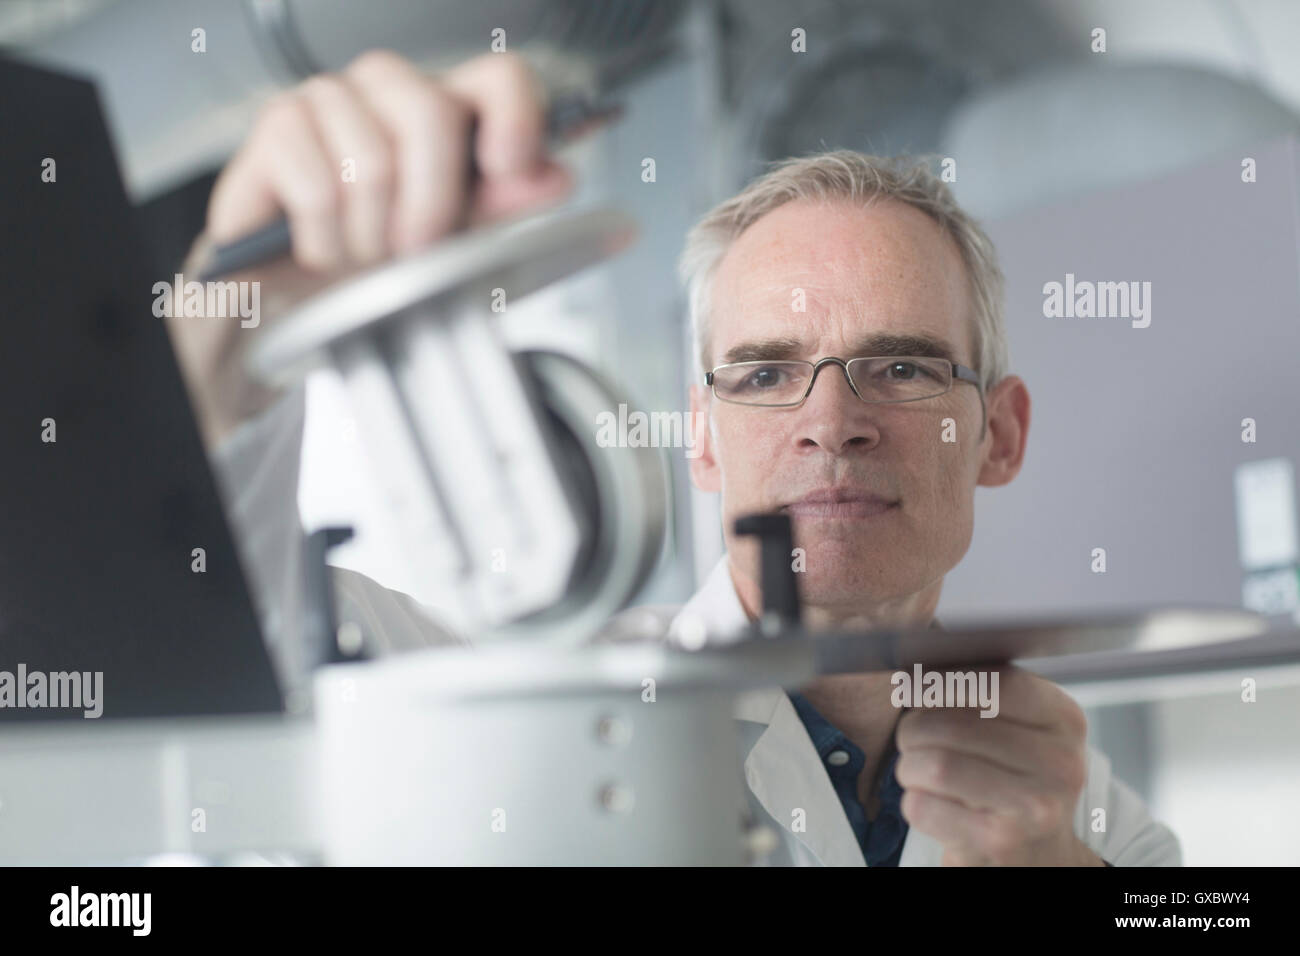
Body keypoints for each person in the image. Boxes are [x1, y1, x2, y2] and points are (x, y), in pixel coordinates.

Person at [171, 49, 1180, 866]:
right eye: (763, 373)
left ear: (998, 434)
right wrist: (234, 333)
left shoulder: (1075, 799)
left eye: (902, 366)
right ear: (700, 435)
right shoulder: (544, 703)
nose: (831, 422)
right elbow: (222, 614)